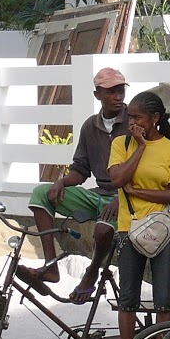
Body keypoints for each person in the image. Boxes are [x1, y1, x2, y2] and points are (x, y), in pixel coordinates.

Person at [17, 66, 128, 302]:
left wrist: (123, 197)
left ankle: (91, 273)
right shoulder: (90, 126)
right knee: (41, 193)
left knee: (103, 227)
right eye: (111, 91)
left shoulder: (133, 122)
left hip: (128, 196)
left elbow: (143, 169)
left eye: (121, 90)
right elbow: (80, 170)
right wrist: (61, 181)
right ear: (97, 94)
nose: (118, 96)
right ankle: (50, 266)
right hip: (99, 193)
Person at [105, 91, 170, 339]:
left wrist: (136, 190)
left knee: (164, 298)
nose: (132, 124)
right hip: (128, 228)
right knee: (128, 298)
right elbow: (117, 179)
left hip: (163, 229)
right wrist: (140, 146)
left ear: (154, 118)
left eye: (138, 118)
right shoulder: (121, 144)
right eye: (129, 118)